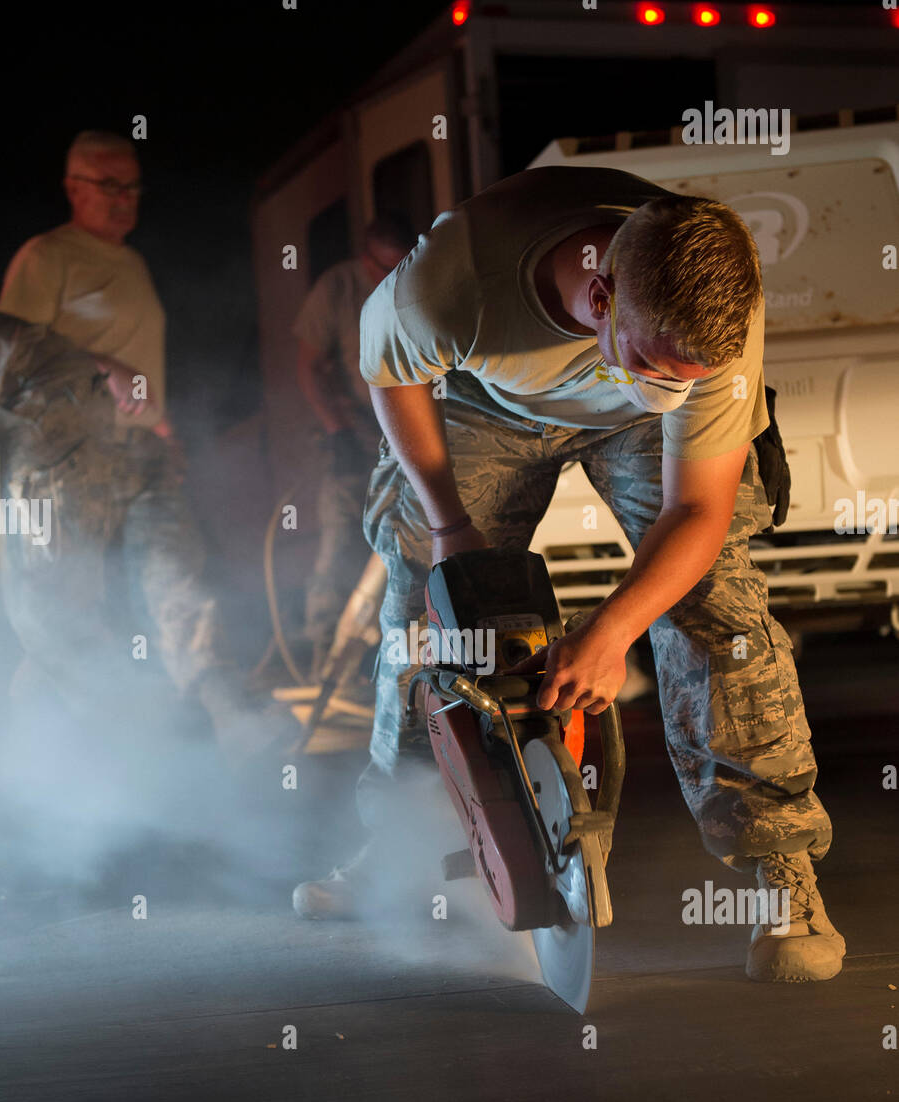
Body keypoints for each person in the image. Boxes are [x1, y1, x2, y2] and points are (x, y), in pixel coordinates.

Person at [293, 165, 843, 986]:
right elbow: (392, 376)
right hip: (489, 404)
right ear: (599, 299)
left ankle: (783, 872)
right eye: (661, 367)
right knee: (427, 605)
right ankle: (404, 844)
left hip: (628, 430)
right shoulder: (452, 284)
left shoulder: (713, 316)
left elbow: (695, 512)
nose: (677, 390)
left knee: (715, 599)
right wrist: (449, 523)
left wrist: (613, 630)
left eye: (690, 379)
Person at [0, 130, 296, 766]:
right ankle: (70, 760)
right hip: (66, 456)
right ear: (73, 187)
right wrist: (98, 362)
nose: (126, 199)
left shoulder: (129, 263)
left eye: (133, 187)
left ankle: (227, 713)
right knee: (62, 604)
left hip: (142, 451)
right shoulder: (46, 256)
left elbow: (138, 365)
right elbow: (11, 348)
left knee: (176, 577)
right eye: (110, 186)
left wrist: (163, 427)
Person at [292, 213, 414, 680]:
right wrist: (335, 428)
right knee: (341, 544)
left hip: (402, 438)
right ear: (367, 260)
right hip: (352, 436)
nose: (396, 277)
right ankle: (325, 662)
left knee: (398, 549)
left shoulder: (414, 283)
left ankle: (384, 666)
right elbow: (306, 366)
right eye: (386, 269)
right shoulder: (337, 288)